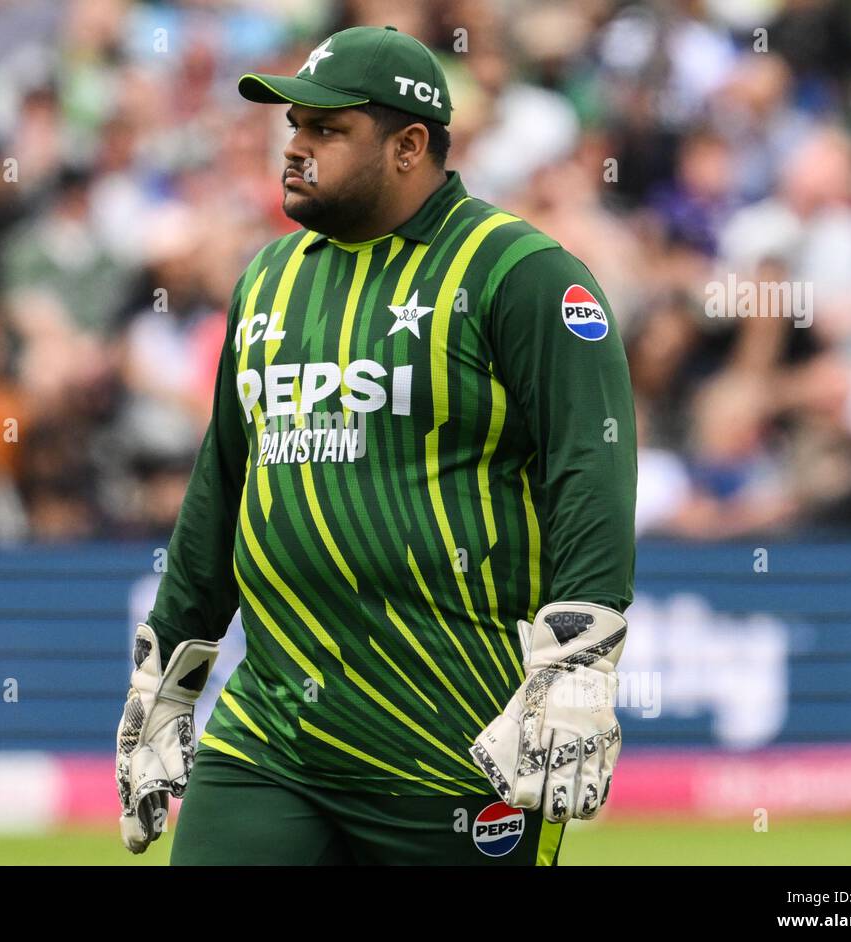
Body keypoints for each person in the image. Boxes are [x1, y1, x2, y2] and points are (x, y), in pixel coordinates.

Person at [116, 25, 637, 865]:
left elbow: (593, 464)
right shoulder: (267, 277)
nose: (296, 148)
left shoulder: (523, 275)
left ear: (409, 145)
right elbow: (225, 476)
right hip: (271, 733)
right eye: (294, 127)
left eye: (327, 130)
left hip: (453, 736)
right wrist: (165, 671)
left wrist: (579, 663)